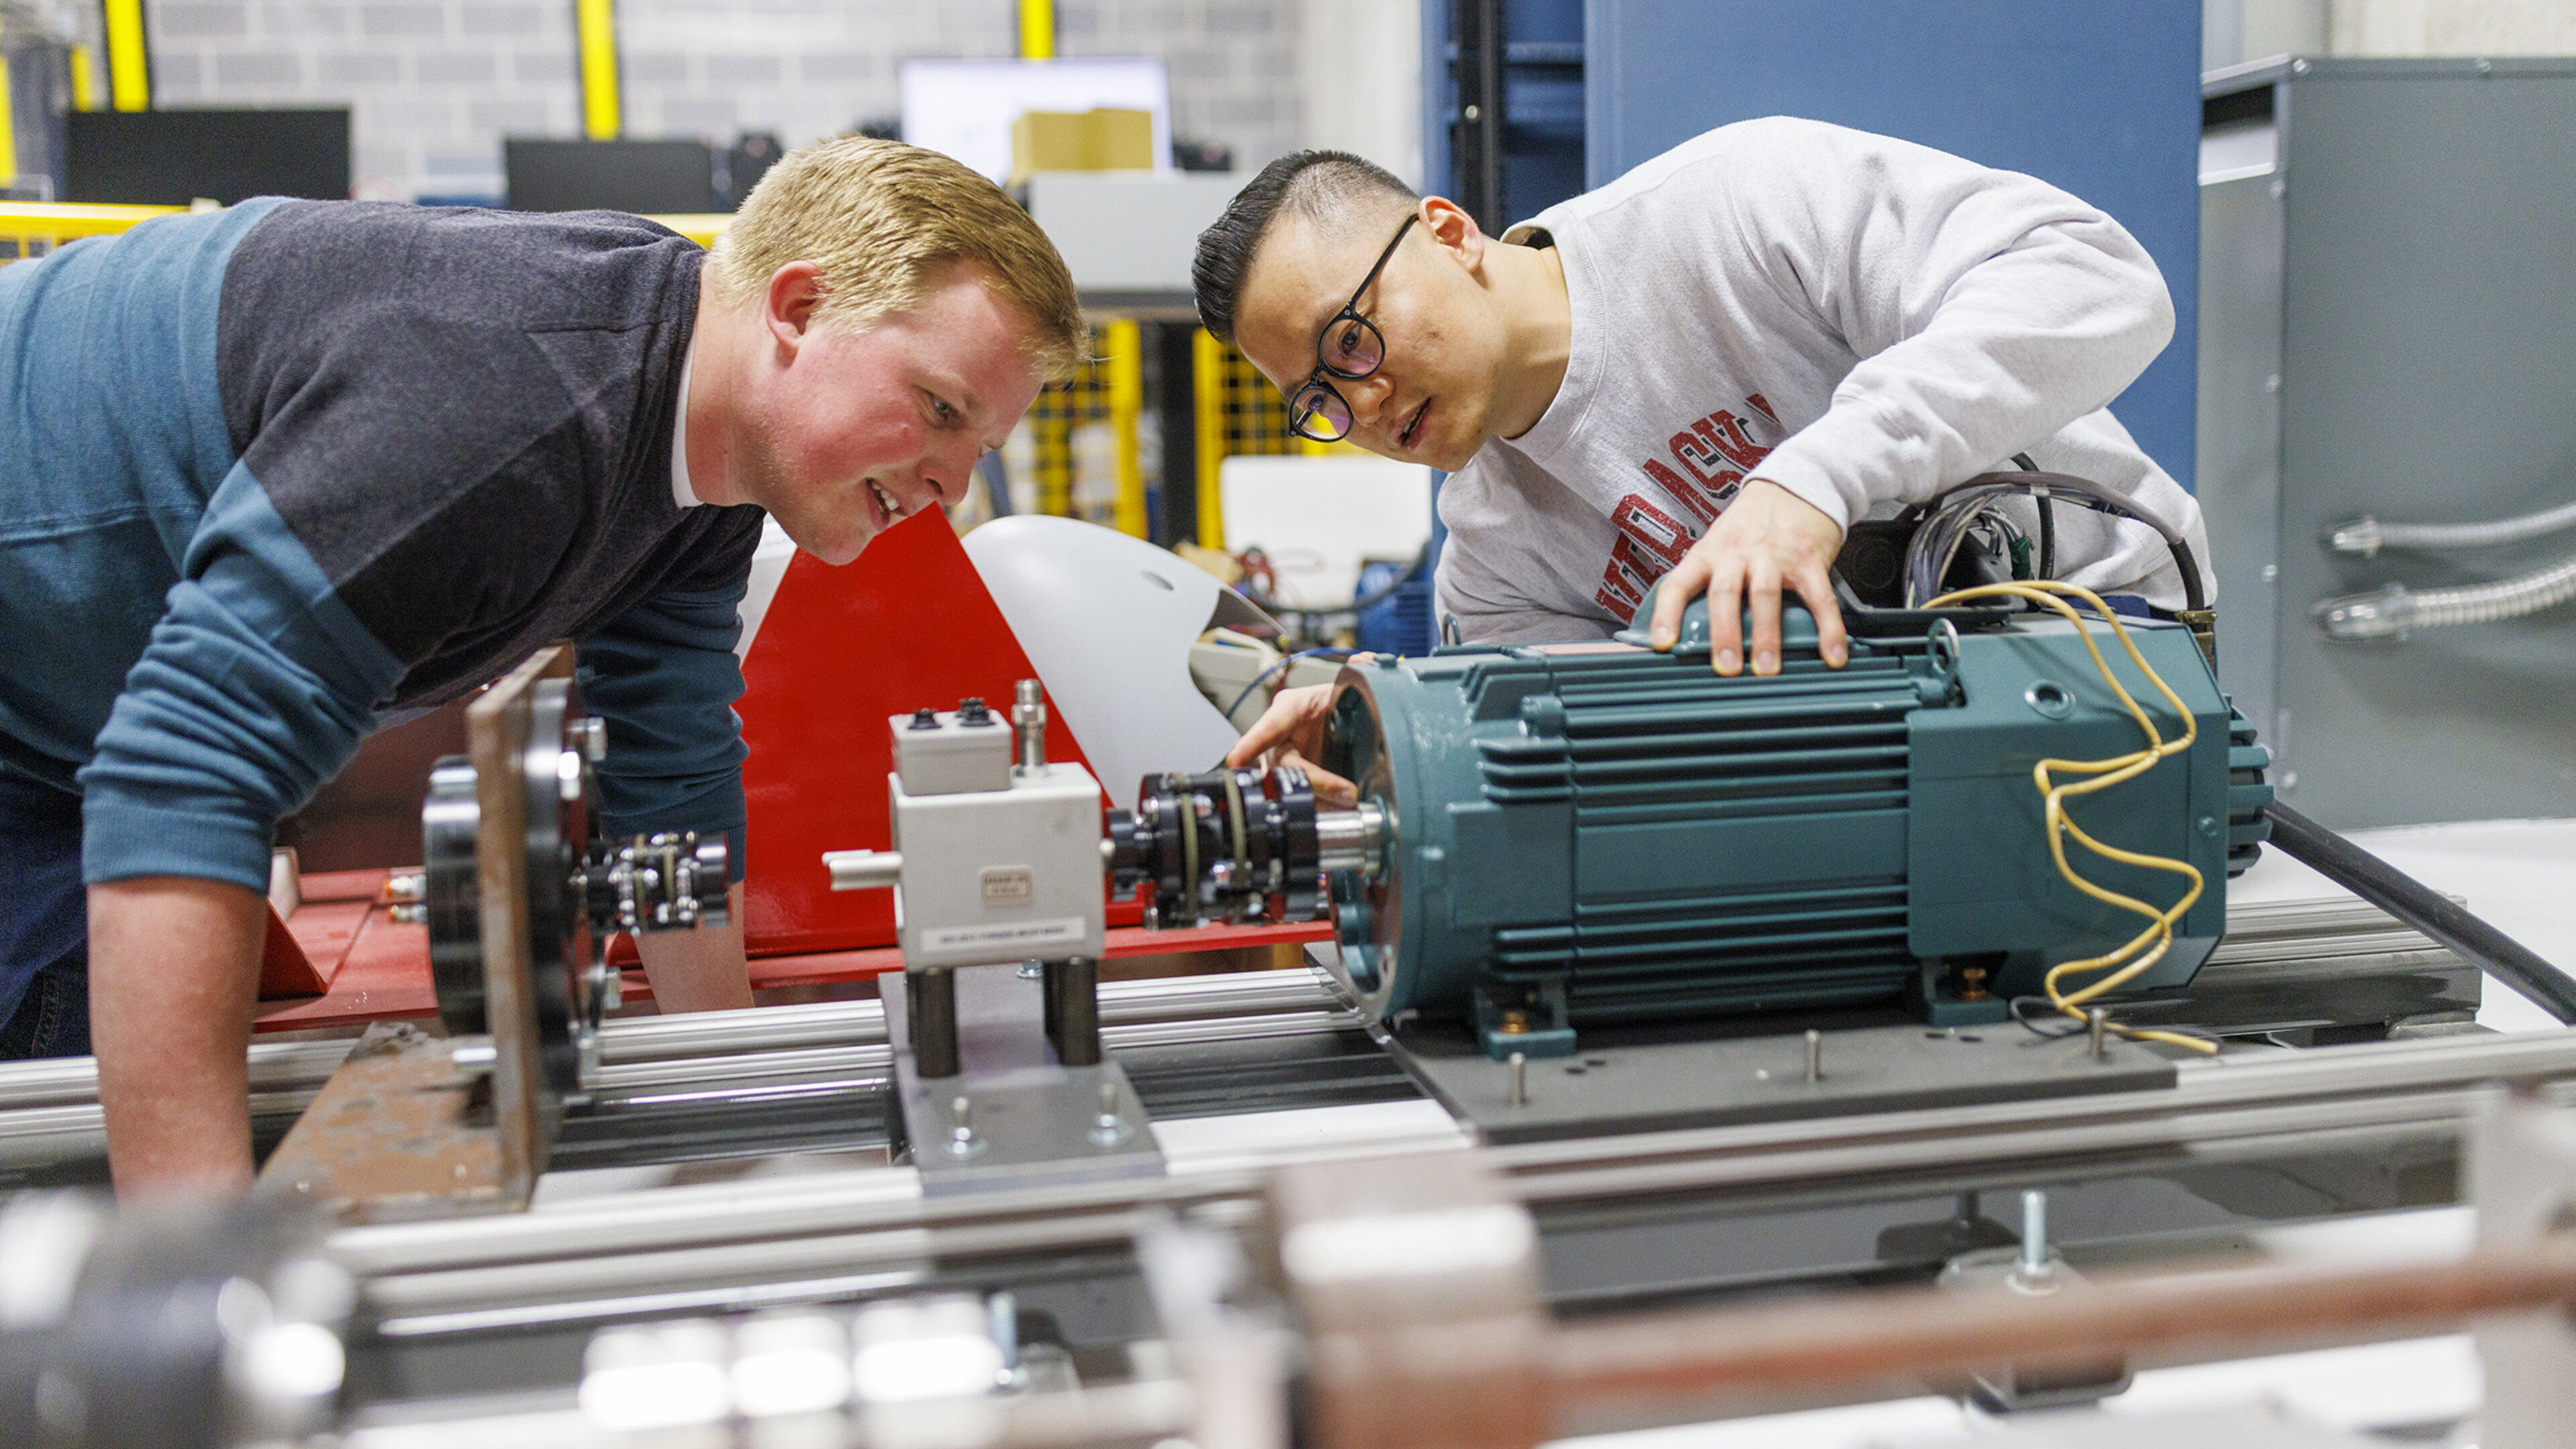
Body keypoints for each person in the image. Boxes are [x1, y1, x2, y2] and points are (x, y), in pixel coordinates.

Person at [0, 138, 1085, 1193]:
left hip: (62, 736)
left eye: (977, 448)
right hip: (46, 718)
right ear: (797, 311)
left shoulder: (699, 453)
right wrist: (201, 1289)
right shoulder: (499, 408)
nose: (951, 484)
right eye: (940, 410)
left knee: (54, 1140)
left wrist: (749, 1130)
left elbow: (673, 783)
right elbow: (183, 778)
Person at [1192, 117, 2210, 800]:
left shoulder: (1733, 211)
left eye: (1351, 339)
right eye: (1318, 398)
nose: (1360, 401)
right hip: (1886, 800)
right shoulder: (1496, 557)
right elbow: (1592, 743)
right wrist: (1395, 719)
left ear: (1450, 234)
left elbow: (2100, 280)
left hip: (2118, 677)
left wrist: (1812, 481)